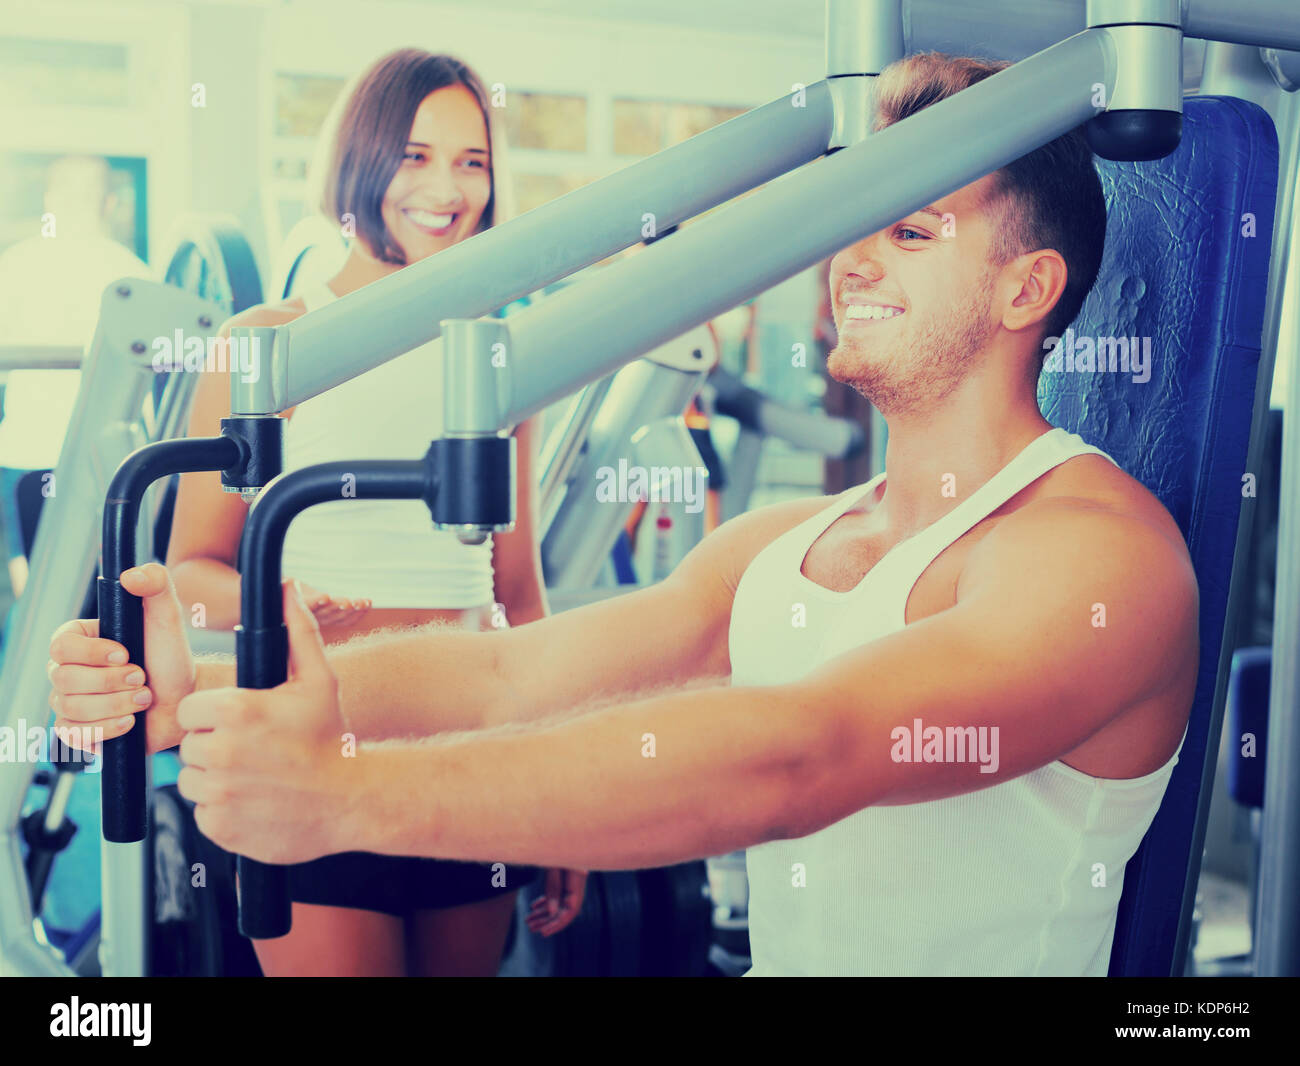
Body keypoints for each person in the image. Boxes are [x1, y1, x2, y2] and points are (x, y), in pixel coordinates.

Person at [49, 52, 1200, 977]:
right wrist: (196, 690)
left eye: (912, 227)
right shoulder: (776, 548)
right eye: (863, 218)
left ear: (1027, 290)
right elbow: (506, 677)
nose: (852, 257)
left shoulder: (1097, 558)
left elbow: (800, 757)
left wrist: (342, 794)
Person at [161, 49, 585, 976]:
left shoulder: (500, 356)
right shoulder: (266, 345)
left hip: (470, 750)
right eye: (416, 156)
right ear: (361, 163)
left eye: (472, 161)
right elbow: (192, 572)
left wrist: (561, 790)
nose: (448, 188)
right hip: (316, 743)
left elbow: (518, 592)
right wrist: (277, 601)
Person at [0, 155, 152, 598]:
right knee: (110, 587)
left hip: (32, 454)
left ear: (50, 200)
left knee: (34, 589)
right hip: (108, 459)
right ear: (109, 204)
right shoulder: (134, 275)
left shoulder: (14, 265)